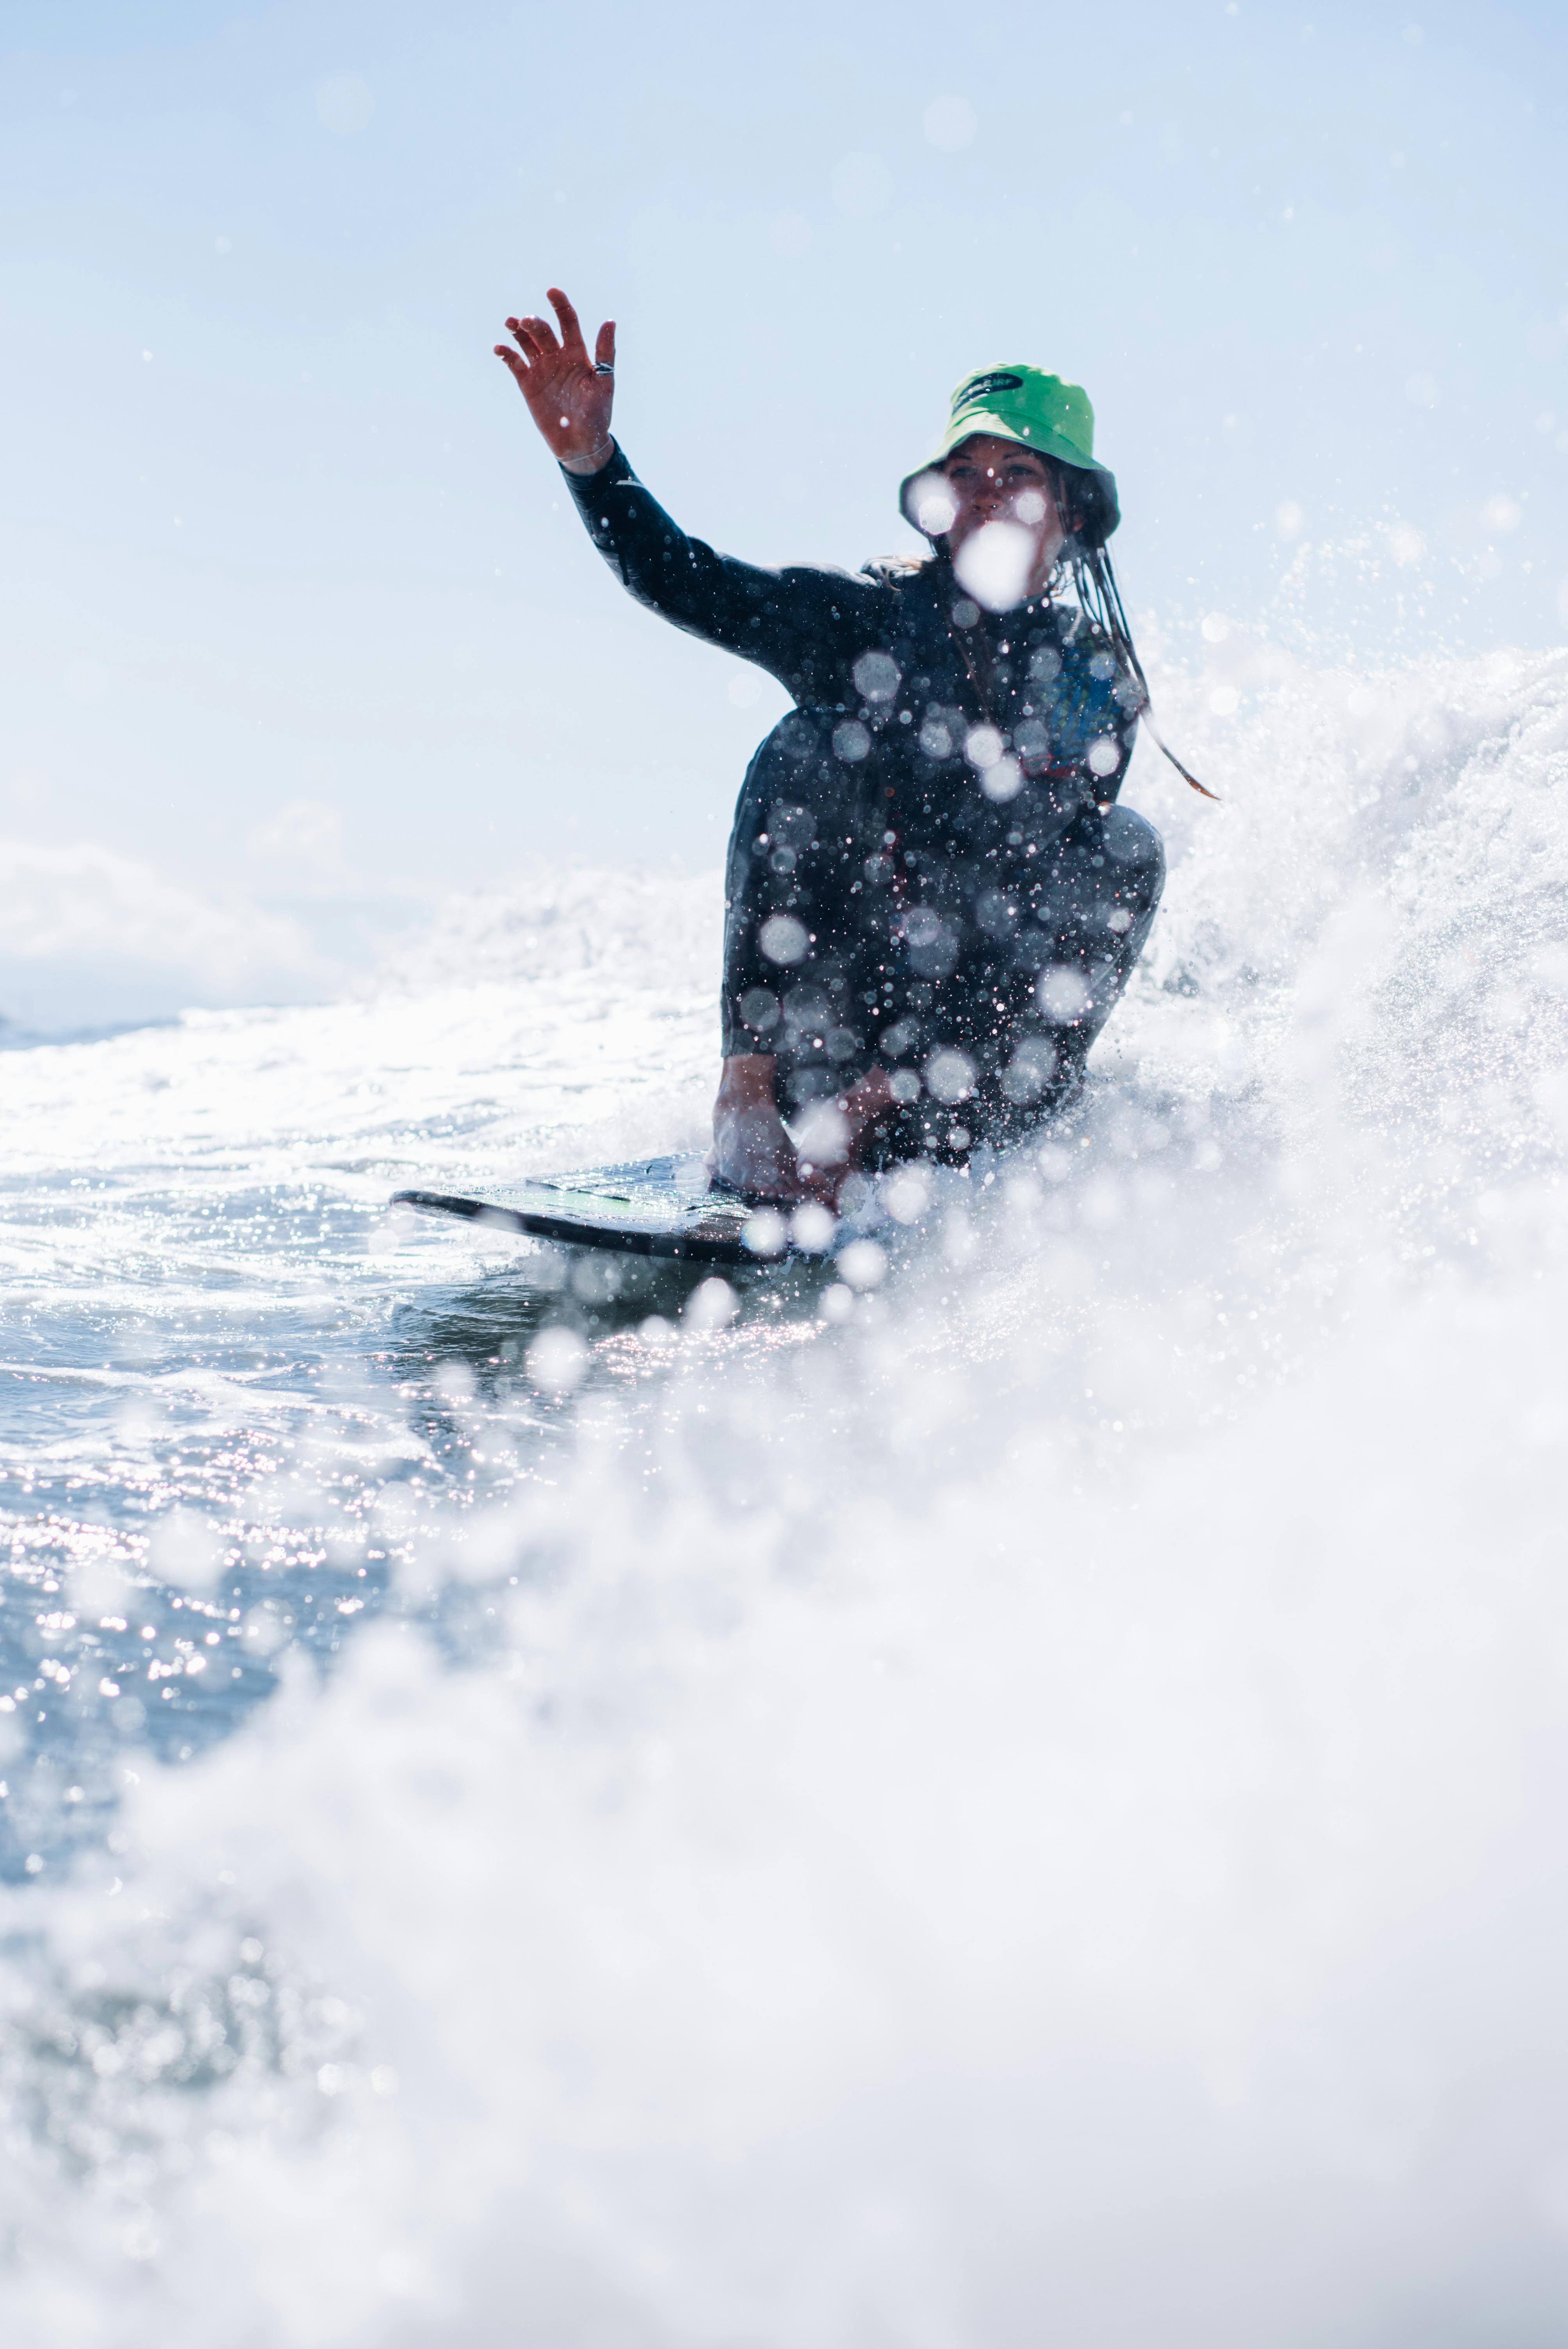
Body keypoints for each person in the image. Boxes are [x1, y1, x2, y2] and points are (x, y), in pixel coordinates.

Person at [496, 291, 1199, 1204]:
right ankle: (743, 1108)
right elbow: (691, 582)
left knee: (1123, 850)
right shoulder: (867, 622)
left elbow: (1031, 924)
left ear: (1068, 507)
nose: (986, 496)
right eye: (966, 475)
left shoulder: (1094, 683)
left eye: (1015, 473)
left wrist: (867, 1123)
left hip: (973, 1083)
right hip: (831, 1041)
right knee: (807, 745)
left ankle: (878, 1149)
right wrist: (593, 465)